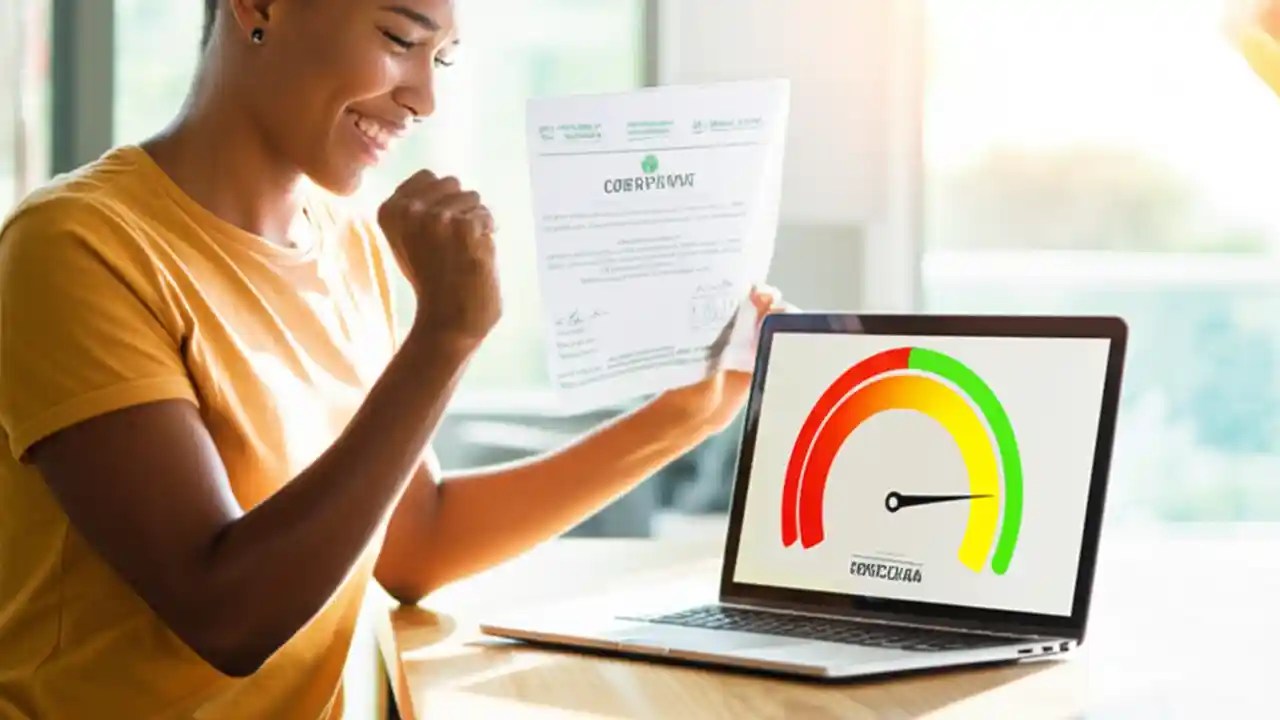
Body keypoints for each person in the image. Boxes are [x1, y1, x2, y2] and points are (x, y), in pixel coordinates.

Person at [0, 1, 780, 717]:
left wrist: (684, 418)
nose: (424, 99)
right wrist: (444, 338)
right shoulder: (74, 247)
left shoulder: (346, 243)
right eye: (401, 39)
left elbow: (415, 542)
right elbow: (226, 616)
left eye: (442, 59)